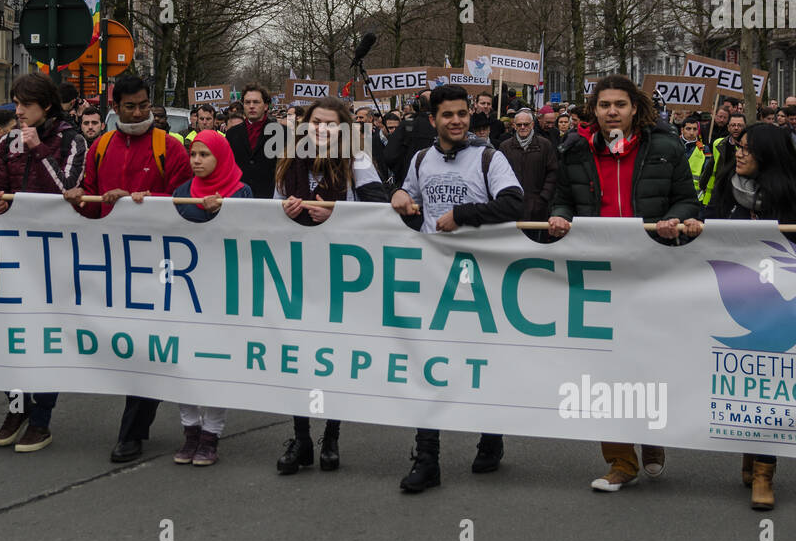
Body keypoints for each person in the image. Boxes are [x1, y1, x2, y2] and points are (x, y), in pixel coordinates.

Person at [548, 75, 700, 491]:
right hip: (596, 272)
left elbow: (689, 200)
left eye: (619, 104)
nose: (611, 111)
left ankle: (653, 436)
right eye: (603, 105)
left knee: (648, 360)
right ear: (593, 111)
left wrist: (677, 217)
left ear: (635, 108)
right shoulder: (574, 150)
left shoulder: (666, 147)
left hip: (652, 269)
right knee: (604, 366)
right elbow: (561, 197)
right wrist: (560, 215)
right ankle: (619, 461)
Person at [390, 85, 524, 492]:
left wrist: (461, 215)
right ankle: (426, 458)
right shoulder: (420, 158)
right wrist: (397, 193)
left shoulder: (489, 156)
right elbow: (407, 196)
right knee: (427, 365)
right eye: (448, 114)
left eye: (463, 114)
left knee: (478, 362)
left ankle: (491, 435)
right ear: (433, 120)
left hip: (479, 281)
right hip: (432, 279)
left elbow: (515, 202)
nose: (457, 121)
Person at [691, 123, 796, 510]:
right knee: (737, 382)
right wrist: (697, 225)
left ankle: (765, 470)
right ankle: (750, 450)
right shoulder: (724, 185)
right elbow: (709, 228)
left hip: (777, 301)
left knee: (767, 382)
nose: (740, 154)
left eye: (748, 148)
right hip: (731, 298)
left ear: (769, 154)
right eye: (738, 146)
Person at [65, 75, 191, 462]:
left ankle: (132, 431)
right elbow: (91, 203)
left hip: (160, 266)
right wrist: (75, 200)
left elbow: (186, 203)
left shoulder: (169, 148)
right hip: (112, 265)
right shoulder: (99, 147)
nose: (138, 113)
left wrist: (143, 200)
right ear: (114, 106)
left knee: (145, 346)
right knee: (126, 344)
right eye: (130, 106)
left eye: (143, 105)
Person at [273, 97, 390, 475]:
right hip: (299, 273)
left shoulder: (358, 163)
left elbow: (380, 211)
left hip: (343, 276)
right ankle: (301, 437)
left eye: (330, 124)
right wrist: (285, 215)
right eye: (316, 122)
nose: (322, 129)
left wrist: (338, 213)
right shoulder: (288, 162)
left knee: (332, 357)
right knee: (297, 358)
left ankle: (332, 437)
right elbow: (268, 218)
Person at [0, 74, 88, 453]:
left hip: (55, 252)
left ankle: (41, 419)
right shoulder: (7, 141)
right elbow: (0, 185)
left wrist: (40, 150)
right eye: (15, 104)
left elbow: (67, 190)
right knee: (9, 333)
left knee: (47, 336)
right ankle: (17, 405)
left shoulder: (72, 140)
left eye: (25, 105)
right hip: (12, 251)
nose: (17, 112)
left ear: (47, 106)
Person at [156, 129, 251, 467]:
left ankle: (211, 434)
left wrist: (220, 212)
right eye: (193, 155)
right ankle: (190, 431)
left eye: (204, 155)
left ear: (221, 157)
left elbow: (247, 236)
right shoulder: (181, 192)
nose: (196, 161)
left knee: (214, 363)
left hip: (222, 295)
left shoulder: (241, 192)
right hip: (184, 293)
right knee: (182, 362)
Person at [498, 108, 558, 224]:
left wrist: (543, 197)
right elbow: (499, 175)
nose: (522, 127)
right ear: (514, 126)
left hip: (538, 207)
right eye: (519, 124)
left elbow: (552, 172)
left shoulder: (545, 145)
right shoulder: (505, 147)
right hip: (512, 206)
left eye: (526, 124)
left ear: (532, 125)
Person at [224, 84, 280, 202]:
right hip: (239, 199)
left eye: (256, 102)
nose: (251, 106)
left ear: (265, 106)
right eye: (247, 102)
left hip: (270, 200)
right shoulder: (231, 134)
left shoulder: (282, 133)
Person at [382, 90, 436, 185]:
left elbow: (389, 156)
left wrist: (402, 173)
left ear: (417, 104)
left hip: (409, 184)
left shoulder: (407, 125)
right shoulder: (445, 126)